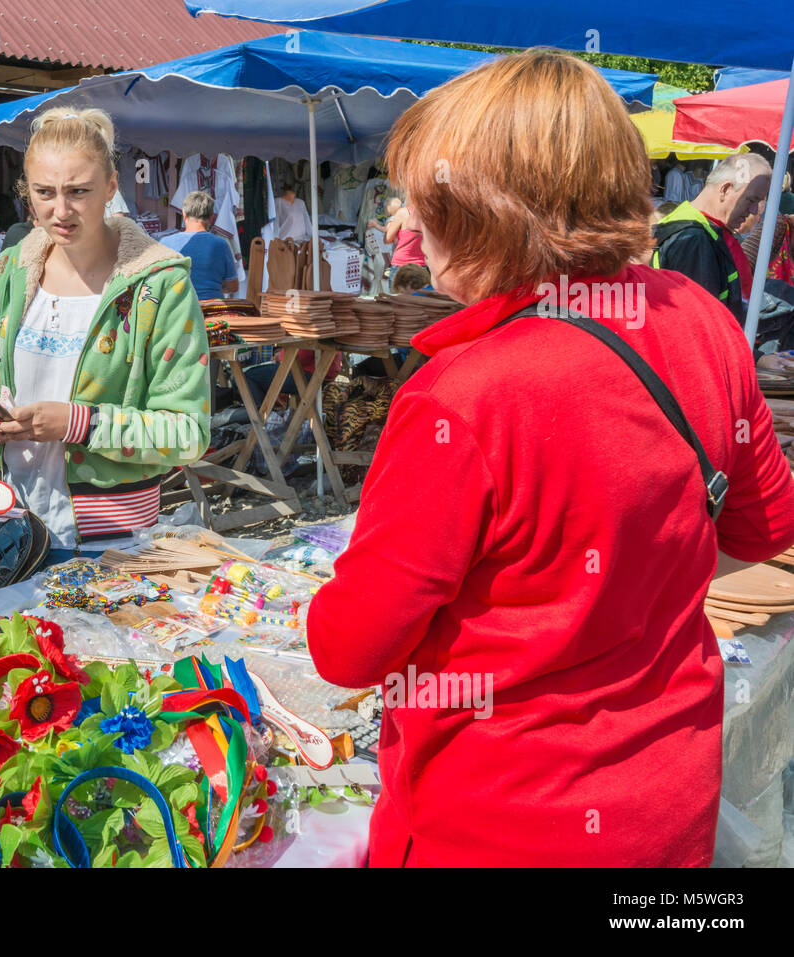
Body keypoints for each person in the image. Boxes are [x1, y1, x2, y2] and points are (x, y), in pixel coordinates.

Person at [306, 51, 794, 867]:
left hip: (499, 822)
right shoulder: (701, 320)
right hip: (666, 801)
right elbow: (764, 525)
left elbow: (349, 648)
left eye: (428, 206)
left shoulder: (465, 396)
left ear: (493, 212)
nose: (409, 232)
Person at [0, 107, 211, 560]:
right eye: (43, 193)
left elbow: (188, 432)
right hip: (7, 529)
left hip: (112, 538)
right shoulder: (12, 270)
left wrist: (77, 423)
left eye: (78, 192)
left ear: (111, 186)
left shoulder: (160, 284)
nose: (60, 211)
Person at [652, 152, 771, 323]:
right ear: (725, 189)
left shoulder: (694, 224)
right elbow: (699, 323)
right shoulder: (694, 238)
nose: (753, 210)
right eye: (751, 200)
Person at [158, 191, 238, 300]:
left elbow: (159, 282)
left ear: (184, 215)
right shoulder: (221, 245)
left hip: (177, 310)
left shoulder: (165, 243)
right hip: (211, 309)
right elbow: (233, 286)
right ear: (211, 217)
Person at [385, 198, 425, 268]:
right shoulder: (431, 215)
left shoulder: (403, 213)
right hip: (421, 264)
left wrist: (388, 227)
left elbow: (387, 239)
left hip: (401, 263)